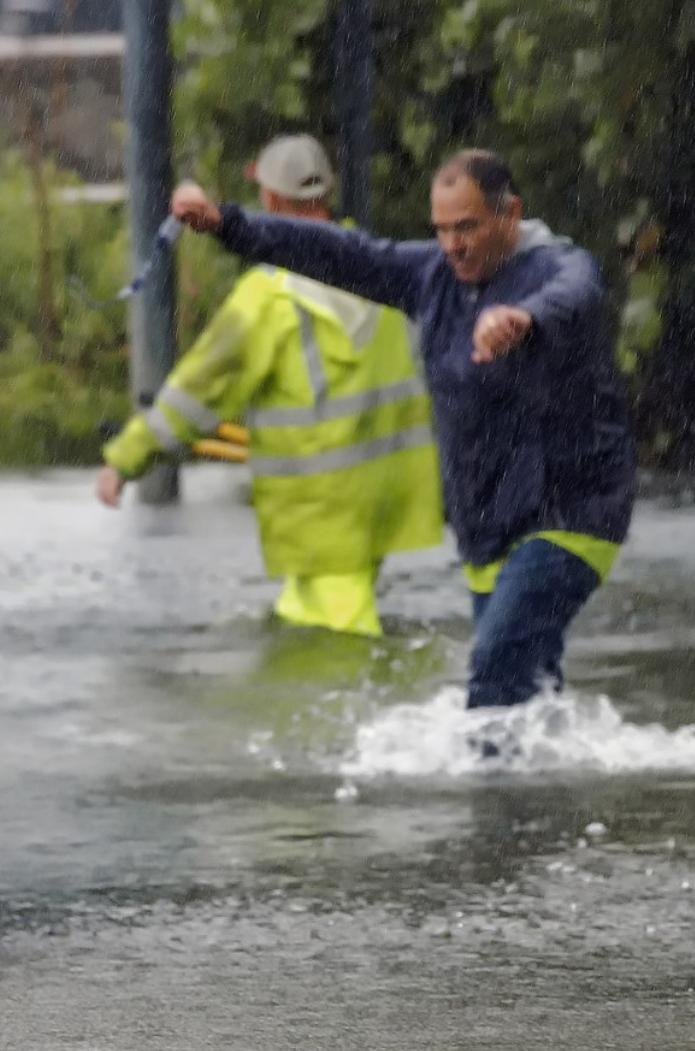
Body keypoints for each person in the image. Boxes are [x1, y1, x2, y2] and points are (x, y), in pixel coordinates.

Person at [170, 148, 636, 709]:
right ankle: (546, 790)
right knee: (527, 697)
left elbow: (577, 294)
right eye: (441, 230)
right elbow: (337, 253)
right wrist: (226, 223)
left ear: (509, 214)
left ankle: (492, 795)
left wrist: (525, 317)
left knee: (493, 674)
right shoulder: (432, 277)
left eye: (467, 227)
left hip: (572, 515)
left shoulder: (560, 267)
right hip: (488, 526)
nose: (453, 245)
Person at [98, 134, 444, 638]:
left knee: (339, 645)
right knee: (309, 617)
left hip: (322, 507)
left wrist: (124, 458)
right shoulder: (378, 265)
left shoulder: (268, 298)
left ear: (273, 201)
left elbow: (199, 391)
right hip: (387, 496)